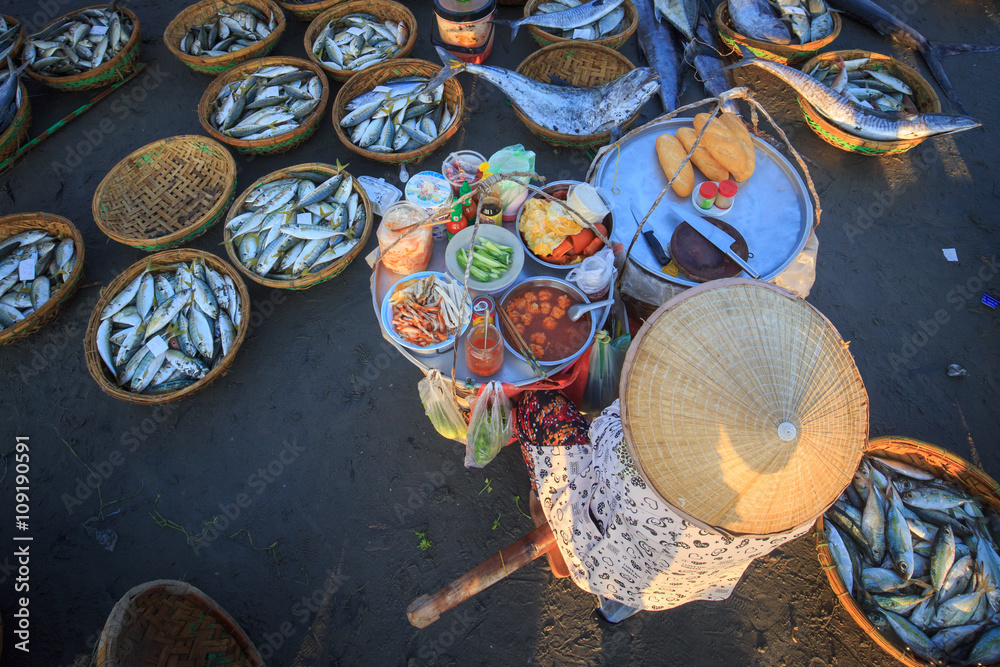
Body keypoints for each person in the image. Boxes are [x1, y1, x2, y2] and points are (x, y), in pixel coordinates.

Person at [515, 390, 814, 622]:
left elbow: (607, 426)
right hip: (691, 580)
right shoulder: (804, 506)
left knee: (539, 406)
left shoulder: (648, 469)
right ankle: (617, 608)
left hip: (604, 552)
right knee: (647, 557)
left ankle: (550, 514)